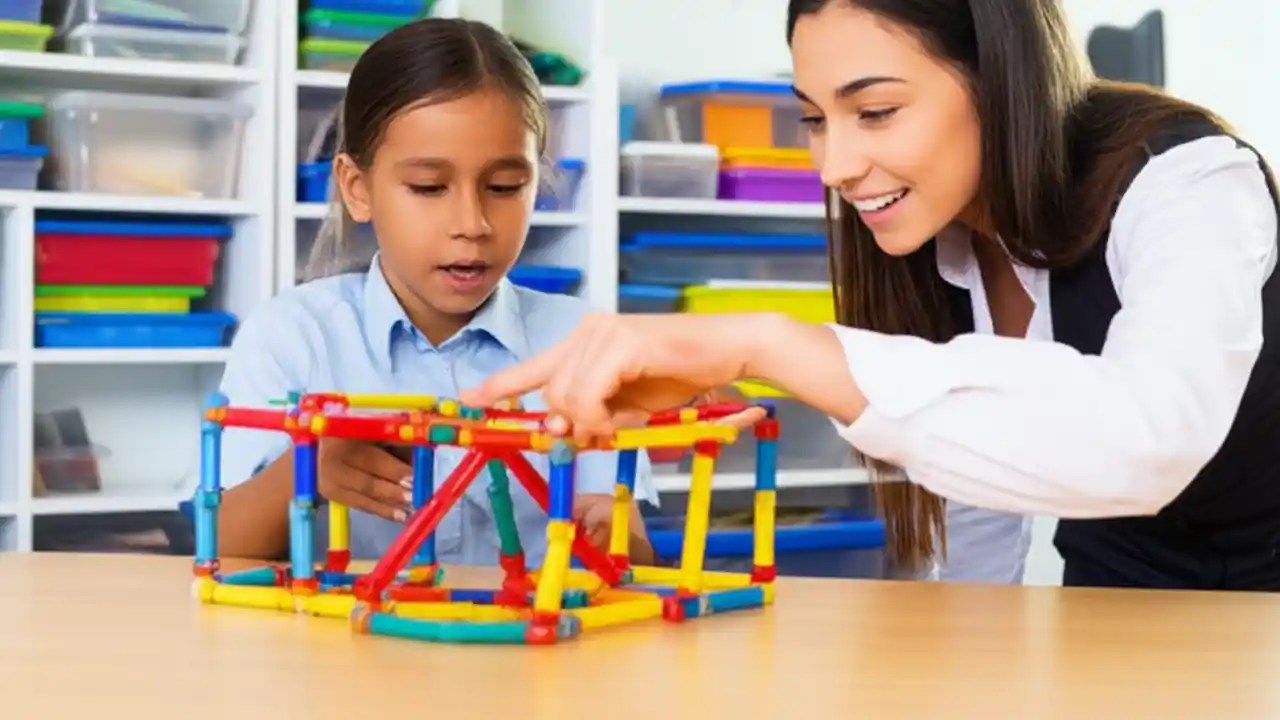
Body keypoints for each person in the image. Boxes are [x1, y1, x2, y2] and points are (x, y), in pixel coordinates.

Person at [463, 0, 1280, 591]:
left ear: (1000, 81)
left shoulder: (1192, 181)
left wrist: (772, 347)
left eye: (877, 111)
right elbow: (977, 511)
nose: (833, 166)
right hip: (1115, 595)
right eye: (815, 118)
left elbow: (1153, 438)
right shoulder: (934, 226)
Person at [214, 18, 656, 566]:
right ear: (357, 188)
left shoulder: (584, 342)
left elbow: (635, 560)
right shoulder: (292, 335)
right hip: (346, 648)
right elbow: (217, 550)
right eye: (428, 187)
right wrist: (307, 469)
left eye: (504, 187)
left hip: (536, 649)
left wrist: (622, 541)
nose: (472, 223)